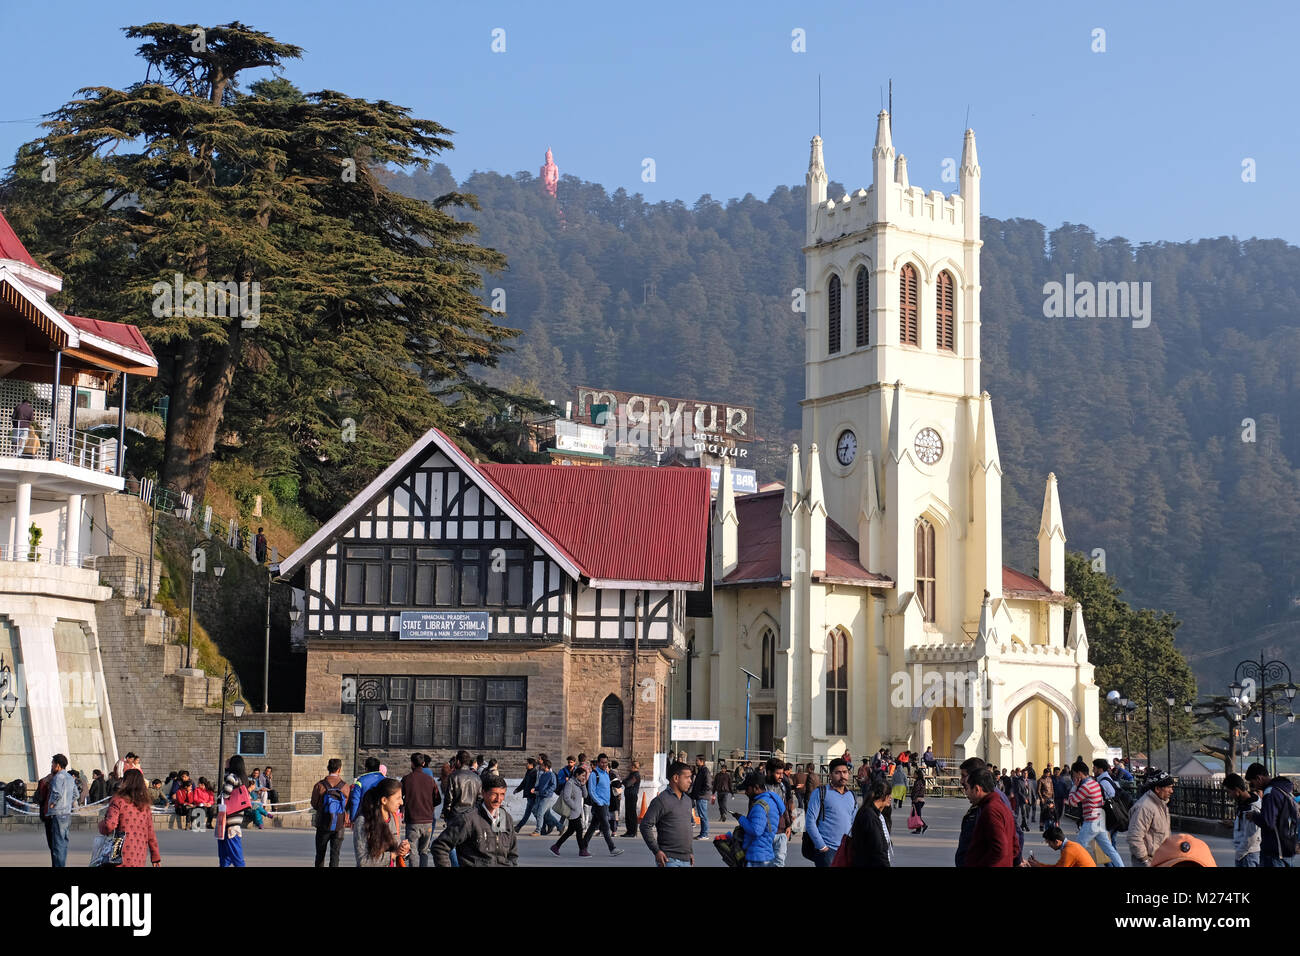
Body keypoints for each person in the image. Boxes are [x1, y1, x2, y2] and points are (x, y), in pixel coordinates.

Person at [431, 774, 517, 866]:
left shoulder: (505, 818)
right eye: (494, 794)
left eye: (502, 794)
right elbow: (440, 846)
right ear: (483, 793)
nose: (498, 799)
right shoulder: (469, 819)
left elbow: (512, 854)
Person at [1064, 760, 1124, 867]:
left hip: (1090, 821)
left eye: (1073, 774)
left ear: (1079, 773)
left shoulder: (1085, 786)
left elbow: (1072, 802)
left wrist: (1074, 787)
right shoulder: (1094, 783)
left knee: (1077, 849)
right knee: (1110, 850)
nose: (1073, 777)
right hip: (1099, 819)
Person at [100, 769, 161, 867]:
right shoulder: (145, 805)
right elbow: (151, 833)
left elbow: (109, 825)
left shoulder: (118, 800)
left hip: (119, 853)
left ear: (125, 782)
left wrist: (101, 825)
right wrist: (155, 856)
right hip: (139, 855)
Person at [640, 760, 696, 866]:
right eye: (687, 777)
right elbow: (645, 825)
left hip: (686, 859)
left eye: (690, 777)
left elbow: (686, 828)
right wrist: (656, 851)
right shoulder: (662, 800)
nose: (690, 781)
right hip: (668, 860)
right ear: (676, 778)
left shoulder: (688, 801)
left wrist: (690, 852)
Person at [805, 757, 857, 866]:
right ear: (830, 775)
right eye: (837, 772)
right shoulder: (820, 792)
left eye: (845, 772)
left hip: (845, 849)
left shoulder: (851, 795)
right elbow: (810, 822)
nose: (842, 775)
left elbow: (854, 823)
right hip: (827, 850)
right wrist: (822, 846)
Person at [962, 768, 1017, 867]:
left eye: (967, 789)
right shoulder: (1001, 806)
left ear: (977, 789)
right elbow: (1015, 847)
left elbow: (1000, 849)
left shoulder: (991, 810)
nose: (966, 793)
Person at [1244, 762, 1297, 867]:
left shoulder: (1270, 792)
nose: (1253, 787)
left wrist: (1253, 816)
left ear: (1259, 778)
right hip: (1288, 847)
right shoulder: (1284, 791)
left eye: (1252, 783)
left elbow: (1268, 822)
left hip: (1274, 851)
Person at [353, 777, 411, 867]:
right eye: (398, 798)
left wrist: (403, 850)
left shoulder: (393, 818)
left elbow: (396, 850)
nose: (401, 802)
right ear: (384, 800)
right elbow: (363, 861)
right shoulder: (363, 821)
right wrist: (393, 854)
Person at [1127, 769, 1173, 867]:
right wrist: (1145, 861)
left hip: (1160, 859)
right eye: (1168, 787)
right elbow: (1135, 837)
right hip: (1148, 861)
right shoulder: (1145, 807)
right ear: (1157, 789)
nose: (1171, 791)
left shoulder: (1162, 804)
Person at [736, 772, 783, 867]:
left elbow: (756, 830)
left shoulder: (760, 806)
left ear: (756, 788)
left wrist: (741, 819)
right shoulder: (770, 801)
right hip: (765, 853)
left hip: (757, 856)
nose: (745, 792)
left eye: (747, 789)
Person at [36, 754, 76, 867]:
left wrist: (52, 804)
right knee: (62, 843)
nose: (52, 766)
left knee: (56, 846)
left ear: (58, 765)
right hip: (67, 814)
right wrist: (67, 802)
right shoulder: (69, 777)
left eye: (53, 763)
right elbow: (75, 794)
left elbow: (56, 793)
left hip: (57, 814)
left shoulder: (58, 777)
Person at [842, 781, 893, 867]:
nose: (891, 798)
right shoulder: (870, 816)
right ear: (884, 796)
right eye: (889, 795)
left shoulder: (869, 812)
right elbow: (878, 849)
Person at [310, 758, 350, 867]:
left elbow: (314, 803)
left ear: (328, 768)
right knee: (335, 854)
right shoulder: (345, 786)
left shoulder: (320, 785)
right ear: (339, 769)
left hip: (323, 822)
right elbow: (346, 805)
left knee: (320, 853)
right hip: (339, 824)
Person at [583, 753, 624, 856]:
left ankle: (582, 847)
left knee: (593, 826)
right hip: (599, 804)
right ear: (598, 763)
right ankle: (612, 848)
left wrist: (607, 802)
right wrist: (599, 802)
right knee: (605, 826)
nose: (604, 764)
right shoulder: (594, 774)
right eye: (602, 762)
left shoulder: (606, 774)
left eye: (606, 762)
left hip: (605, 804)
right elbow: (591, 791)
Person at [216, 755, 253, 867]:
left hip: (228, 818)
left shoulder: (231, 777)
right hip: (236, 818)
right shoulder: (243, 779)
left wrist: (218, 797)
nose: (226, 764)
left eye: (228, 762)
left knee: (232, 853)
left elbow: (226, 794)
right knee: (228, 852)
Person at [402, 753, 438, 867]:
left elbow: (399, 798)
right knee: (424, 850)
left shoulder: (406, 779)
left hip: (412, 820)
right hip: (427, 819)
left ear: (411, 763)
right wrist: (429, 805)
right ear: (423, 764)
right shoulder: (430, 780)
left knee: (412, 850)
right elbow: (438, 799)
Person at [550, 765, 592, 857]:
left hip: (578, 812)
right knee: (579, 830)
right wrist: (574, 807)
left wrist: (584, 785)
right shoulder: (570, 783)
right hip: (573, 812)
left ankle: (555, 847)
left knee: (570, 831)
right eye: (582, 775)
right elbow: (566, 797)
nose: (584, 777)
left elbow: (585, 796)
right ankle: (582, 850)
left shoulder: (579, 784)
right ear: (577, 775)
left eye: (585, 776)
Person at [1223, 772, 1261, 867]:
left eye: (1229, 792)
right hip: (1247, 853)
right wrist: (1234, 824)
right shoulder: (1244, 804)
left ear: (1237, 790)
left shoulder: (1250, 808)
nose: (1229, 795)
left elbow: (1252, 836)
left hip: (1248, 855)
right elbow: (1246, 826)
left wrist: (1240, 853)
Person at [765, 756, 795, 866]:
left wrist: (789, 825)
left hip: (781, 832)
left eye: (782, 773)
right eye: (778, 773)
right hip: (765, 832)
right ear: (768, 772)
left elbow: (785, 807)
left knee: (779, 862)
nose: (781, 776)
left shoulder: (782, 786)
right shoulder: (760, 788)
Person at [1025, 824, 1096, 867]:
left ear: (1056, 842)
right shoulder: (1070, 845)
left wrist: (1039, 865)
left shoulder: (1069, 851)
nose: (1049, 845)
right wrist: (1038, 864)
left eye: (1049, 843)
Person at [445, 750, 482, 821]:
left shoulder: (453, 776)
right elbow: (480, 799)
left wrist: (446, 813)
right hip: (472, 814)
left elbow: (449, 798)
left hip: (456, 815)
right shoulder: (477, 777)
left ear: (458, 761)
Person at [347, 756, 385, 823]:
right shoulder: (385, 780)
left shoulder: (360, 781)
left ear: (366, 768)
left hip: (364, 816)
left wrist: (353, 818)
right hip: (381, 816)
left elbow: (355, 801)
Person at [526, 758, 556, 836]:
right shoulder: (543, 774)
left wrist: (546, 792)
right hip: (540, 795)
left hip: (546, 797)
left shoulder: (551, 774)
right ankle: (549, 823)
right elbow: (540, 785)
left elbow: (553, 786)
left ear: (546, 766)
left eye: (542, 765)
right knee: (534, 810)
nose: (541, 766)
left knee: (540, 813)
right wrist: (535, 788)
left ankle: (538, 830)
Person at [690, 754, 712, 840]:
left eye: (697, 760)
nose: (696, 762)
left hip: (702, 797)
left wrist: (700, 793)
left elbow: (708, 784)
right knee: (702, 815)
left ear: (701, 761)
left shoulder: (705, 771)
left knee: (703, 816)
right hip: (700, 796)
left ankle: (705, 834)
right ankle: (702, 833)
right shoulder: (700, 770)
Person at [622, 760, 642, 837]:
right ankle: (629, 831)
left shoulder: (635, 775)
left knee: (631, 814)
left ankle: (632, 832)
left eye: (630, 766)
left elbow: (627, 783)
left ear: (633, 767)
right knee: (628, 814)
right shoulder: (632, 774)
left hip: (632, 796)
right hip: (629, 795)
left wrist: (624, 781)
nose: (629, 767)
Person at [910, 767, 928, 834]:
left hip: (917, 800)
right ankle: (918, 829)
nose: (913, 775)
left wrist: (913, 799)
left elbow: (916, 791)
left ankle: (924, 826)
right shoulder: (922, 781)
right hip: (921, 800)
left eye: (914, 774)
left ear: (917, 775)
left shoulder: (918, 782)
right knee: (916, 815)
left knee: (917, 816)